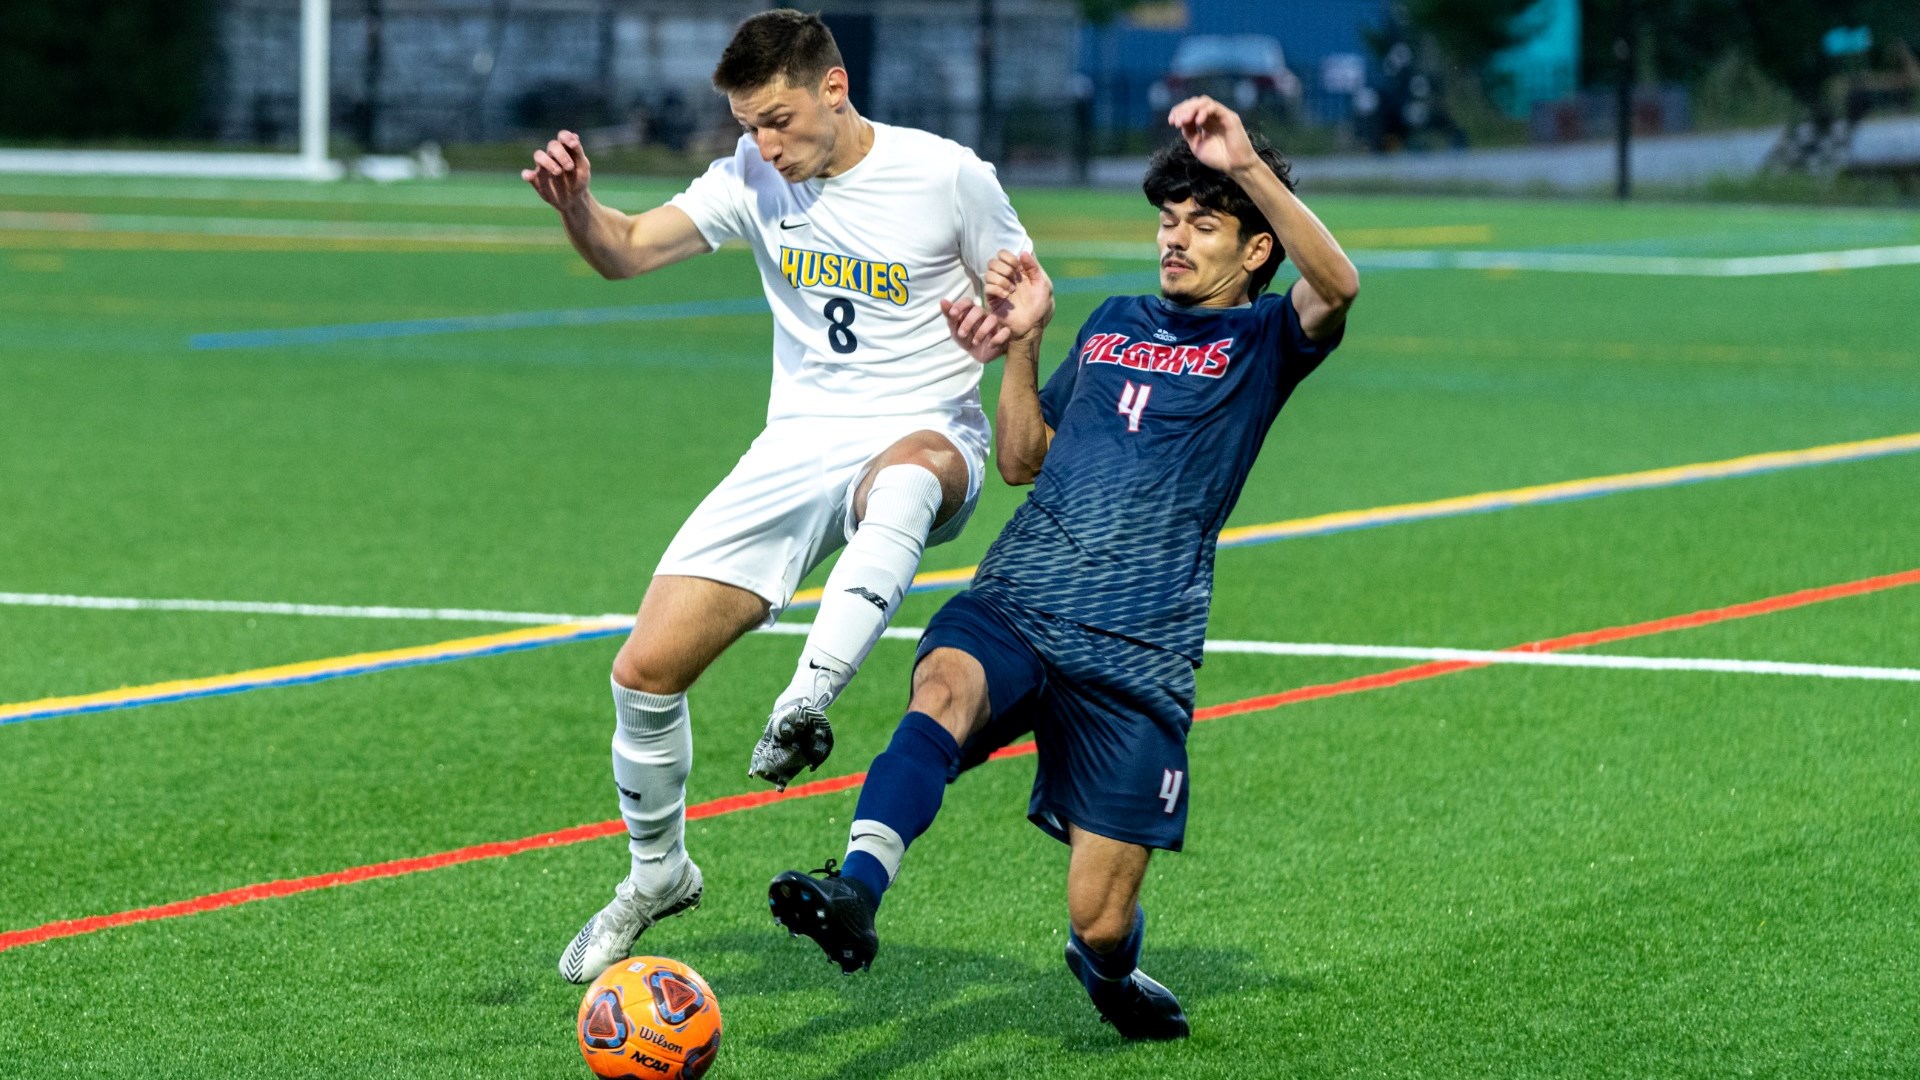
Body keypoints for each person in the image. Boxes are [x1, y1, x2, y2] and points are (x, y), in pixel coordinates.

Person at [767, 96, 1358, 1040]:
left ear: (1253, 250)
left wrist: (1247, 166)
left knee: (1100, 913)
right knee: (943, 691)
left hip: (1137, 646)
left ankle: (1108, 970)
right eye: (1168, 222)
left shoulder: (1265, 344)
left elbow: (1338, 285)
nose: (1175, 241)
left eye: (1203, 226)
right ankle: (857, 887)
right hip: (1023, 595)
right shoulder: (1114, 320)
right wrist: (1022, 342)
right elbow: (1022, 458)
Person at [522, 8, 1032, 984]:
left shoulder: (948, 179)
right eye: (748, 125)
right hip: (797, 444)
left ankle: (807, 698)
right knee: (644, 671)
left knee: (912, 478)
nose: (765, 144)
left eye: (779, 119)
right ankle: (658, 873)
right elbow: (627, 248)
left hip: (926, 433)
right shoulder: (752, 176)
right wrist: (578, 206)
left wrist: (1013, 324)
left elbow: (1025, 297)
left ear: (833, 89)